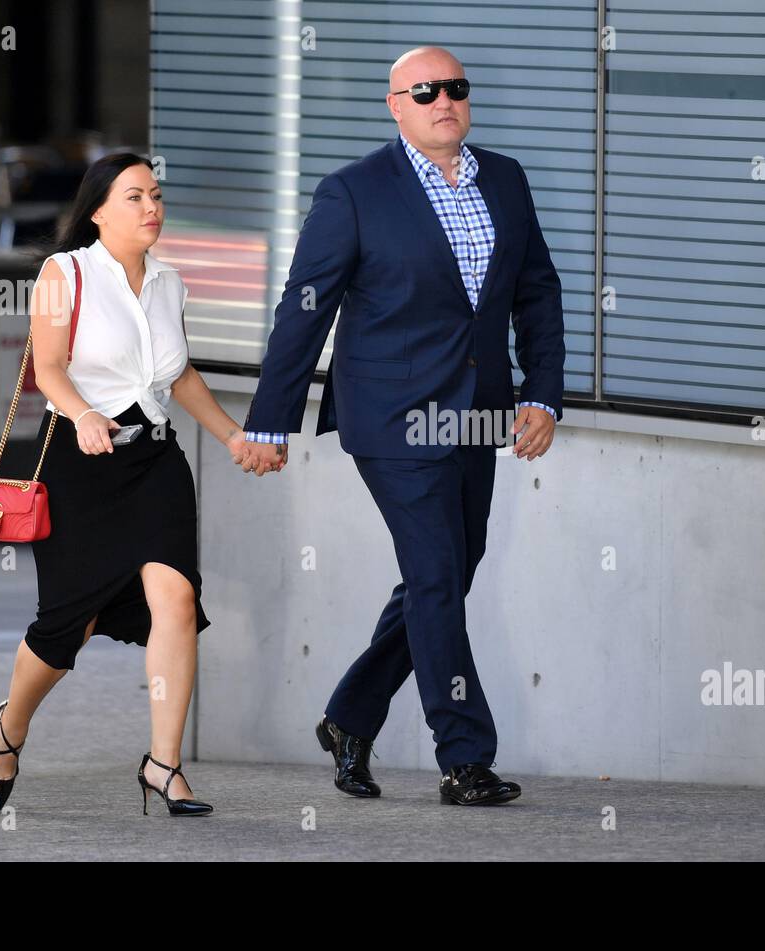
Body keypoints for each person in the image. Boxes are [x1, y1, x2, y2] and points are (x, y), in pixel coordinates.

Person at [237, 47, 565, 805]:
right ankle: (465, 756)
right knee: (438, 573)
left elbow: (537, 293)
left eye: (454, 88)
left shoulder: (505, 180)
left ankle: (349, 715)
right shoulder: (353, 192)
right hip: (393, 416)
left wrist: (541, 395)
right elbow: (303, 309)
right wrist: (270, 421)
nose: (443, 100)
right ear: (395, 104)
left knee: (448, 568)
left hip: (481, 411)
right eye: (424, 91)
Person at [0, 152, 260, 816]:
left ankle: (164, 765)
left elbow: (179, 375)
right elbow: (47, 368)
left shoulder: (169, 281)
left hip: (155, 460)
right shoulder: (64, 272)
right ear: (98, 209)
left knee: (177, 602)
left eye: (157, 195)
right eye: (134, 196)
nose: (151, 208)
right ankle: (8, 728)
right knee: (64, 626)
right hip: (81, 466)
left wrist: (232, 435)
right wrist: (82, 415)